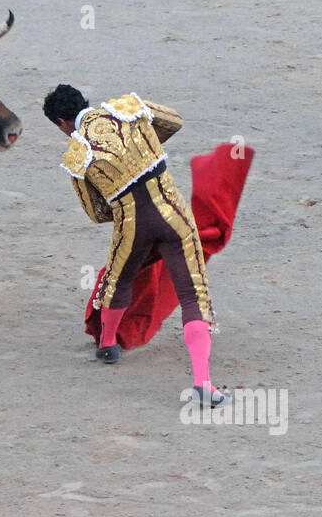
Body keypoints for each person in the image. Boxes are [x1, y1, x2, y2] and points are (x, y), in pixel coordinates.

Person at [44, 84, 227, 407]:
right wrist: (145, 151)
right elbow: (174, 121)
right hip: (174, 213)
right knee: (192, 294)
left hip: (132, 223)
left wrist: (118, 191)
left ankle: (108, 343)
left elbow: (96, 213)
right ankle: (202, 383)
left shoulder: (77, 152)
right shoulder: (126, 109)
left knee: (119, 281)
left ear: (61, 122)